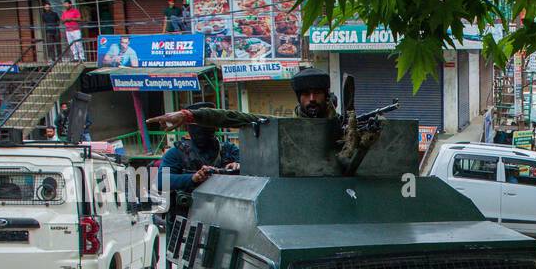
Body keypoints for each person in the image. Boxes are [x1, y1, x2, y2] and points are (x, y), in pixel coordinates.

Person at [148, 67, 384, 176]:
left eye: (318, 93)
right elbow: (236, 117)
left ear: (325, 94)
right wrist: (190, 116)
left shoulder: (344, 126)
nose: (312, 99)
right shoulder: (285, 129)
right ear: (298, 97)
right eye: (305, 94)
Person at [156, 101, 242, 197]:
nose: (200, 133)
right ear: (188, 128)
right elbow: (161, 181)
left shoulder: (229, 149)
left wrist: (237, 166)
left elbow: (253, 170)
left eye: (205, 127)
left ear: (215, 127)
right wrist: (192, 178)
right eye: (195, 127)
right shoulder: (177, 152)